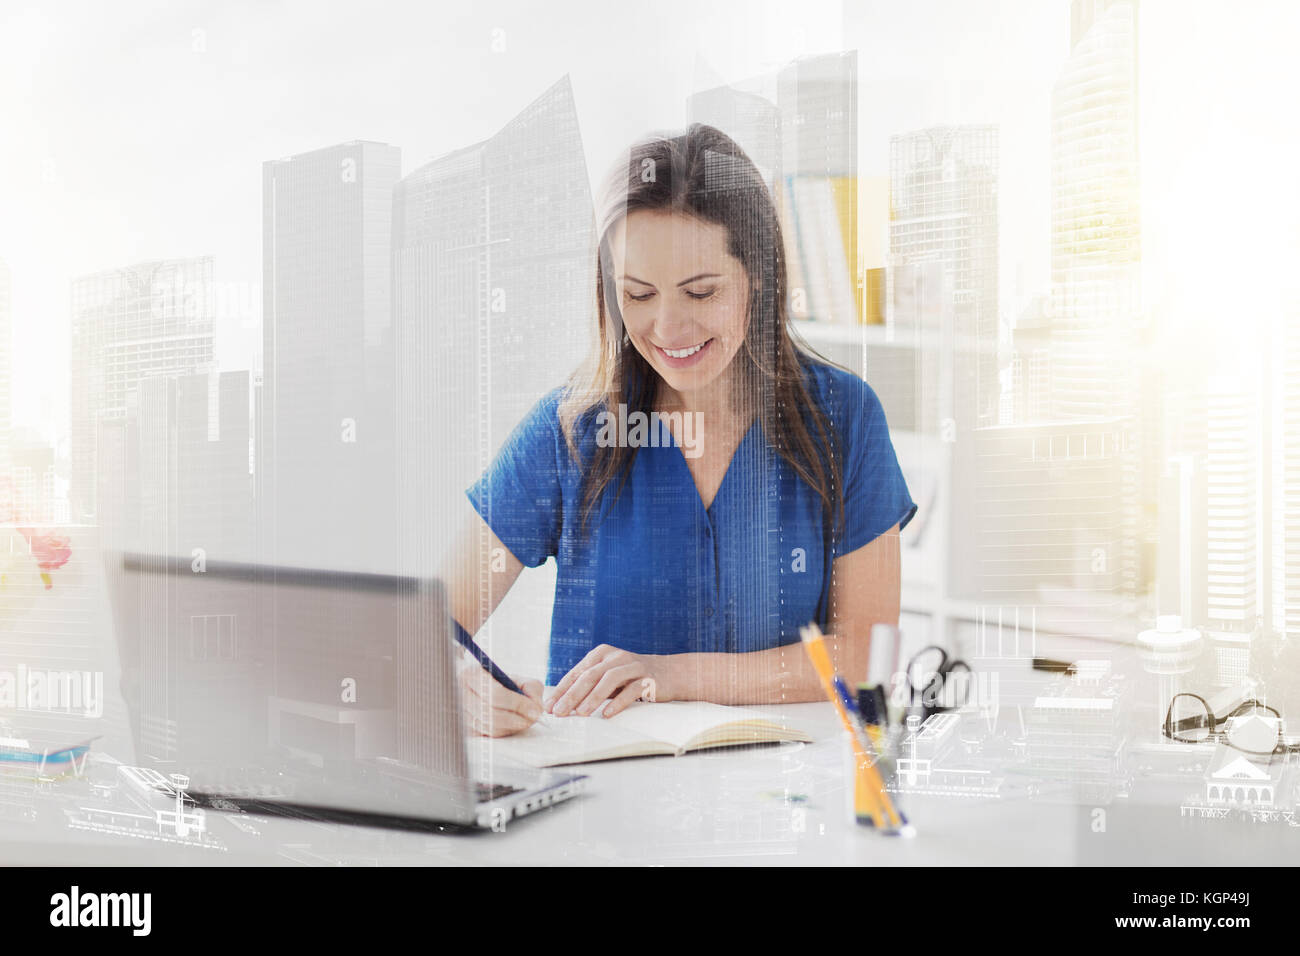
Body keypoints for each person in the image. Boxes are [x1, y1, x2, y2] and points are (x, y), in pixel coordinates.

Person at [443, 123, 917, 737]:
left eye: (701, 291)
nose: (668, 328)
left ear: (760, 278)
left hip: (786, 807)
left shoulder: (844, 418)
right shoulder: (571, 434)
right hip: (602, 813)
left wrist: (670, 676)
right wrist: (455, 682)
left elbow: (862, 660)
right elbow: (423, 628)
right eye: (638, 295)